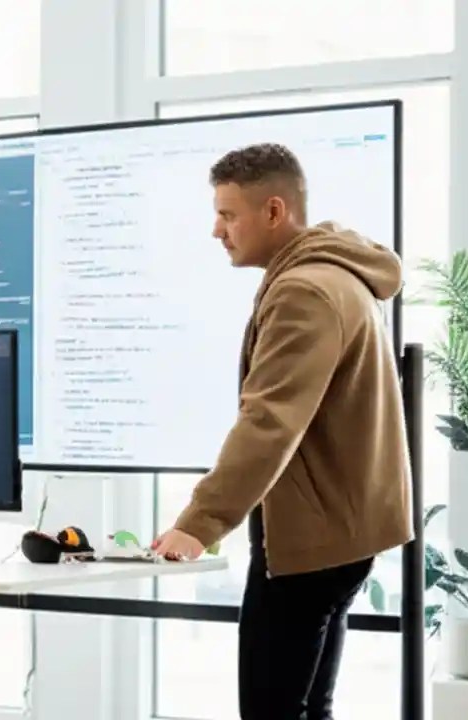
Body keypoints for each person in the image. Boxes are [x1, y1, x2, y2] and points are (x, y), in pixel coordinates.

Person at [150, 142, 413, 719]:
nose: (216, 230)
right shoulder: (334, 277)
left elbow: (270, 421)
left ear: (274, 211)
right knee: (308, 709)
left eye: (227, 214)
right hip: (338, 532)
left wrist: (200, 523)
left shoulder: (305, 291)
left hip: (310, 543)